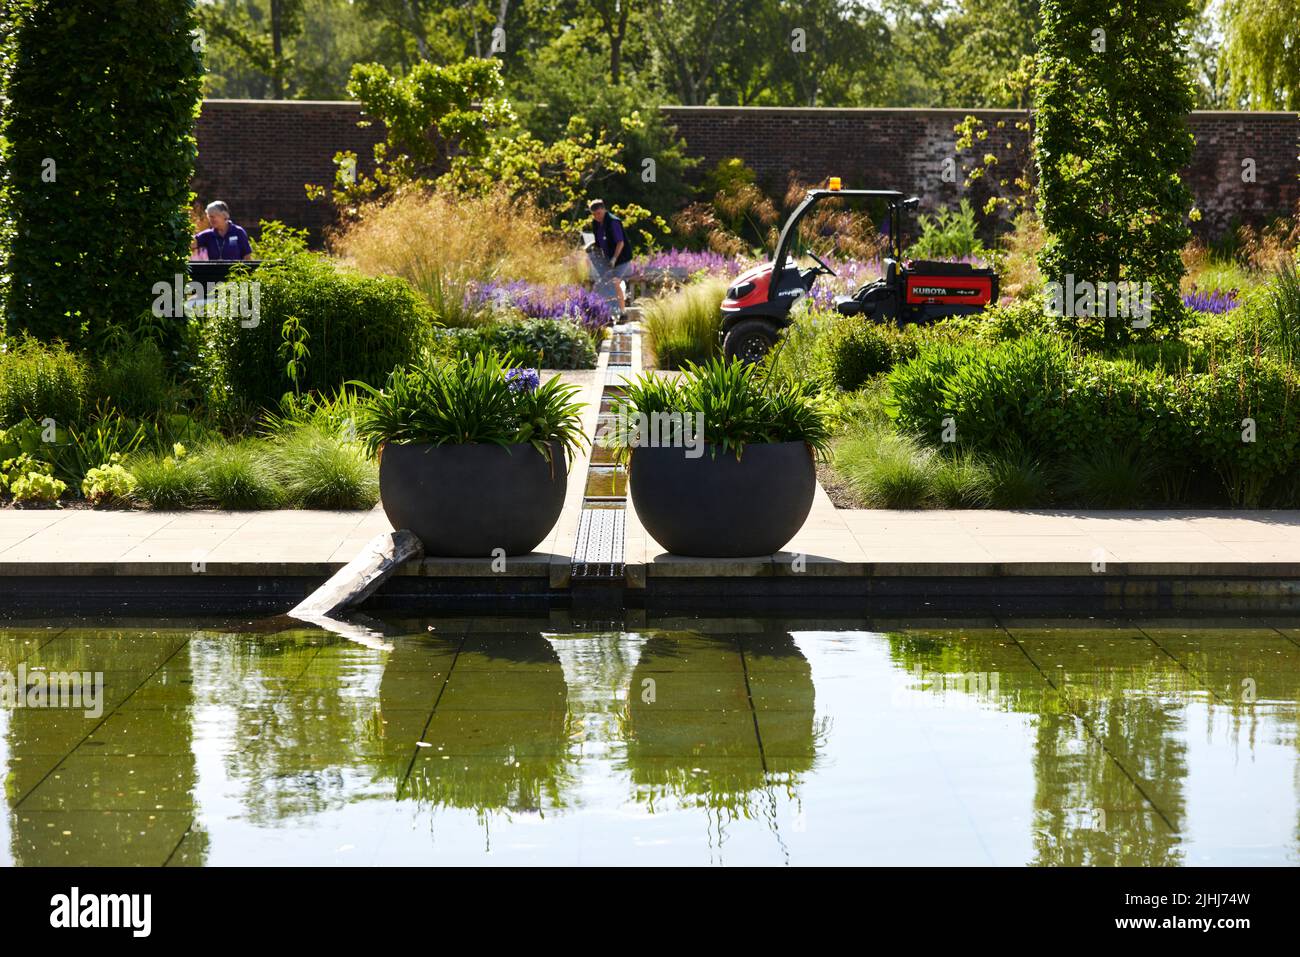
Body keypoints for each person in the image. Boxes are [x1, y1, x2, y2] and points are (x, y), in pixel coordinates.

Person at [588, 198, 632, 311]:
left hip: (622, 257)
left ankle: (622, 312)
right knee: (605, 283)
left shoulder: (613, 221)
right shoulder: (596, 223)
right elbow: (598, 242)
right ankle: (609, 311)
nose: (597, 216)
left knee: (615, 282)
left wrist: (614, 259)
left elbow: (620, 242)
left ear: (604, 210)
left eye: (598, 213)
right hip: (608, 257)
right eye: (594, 214)